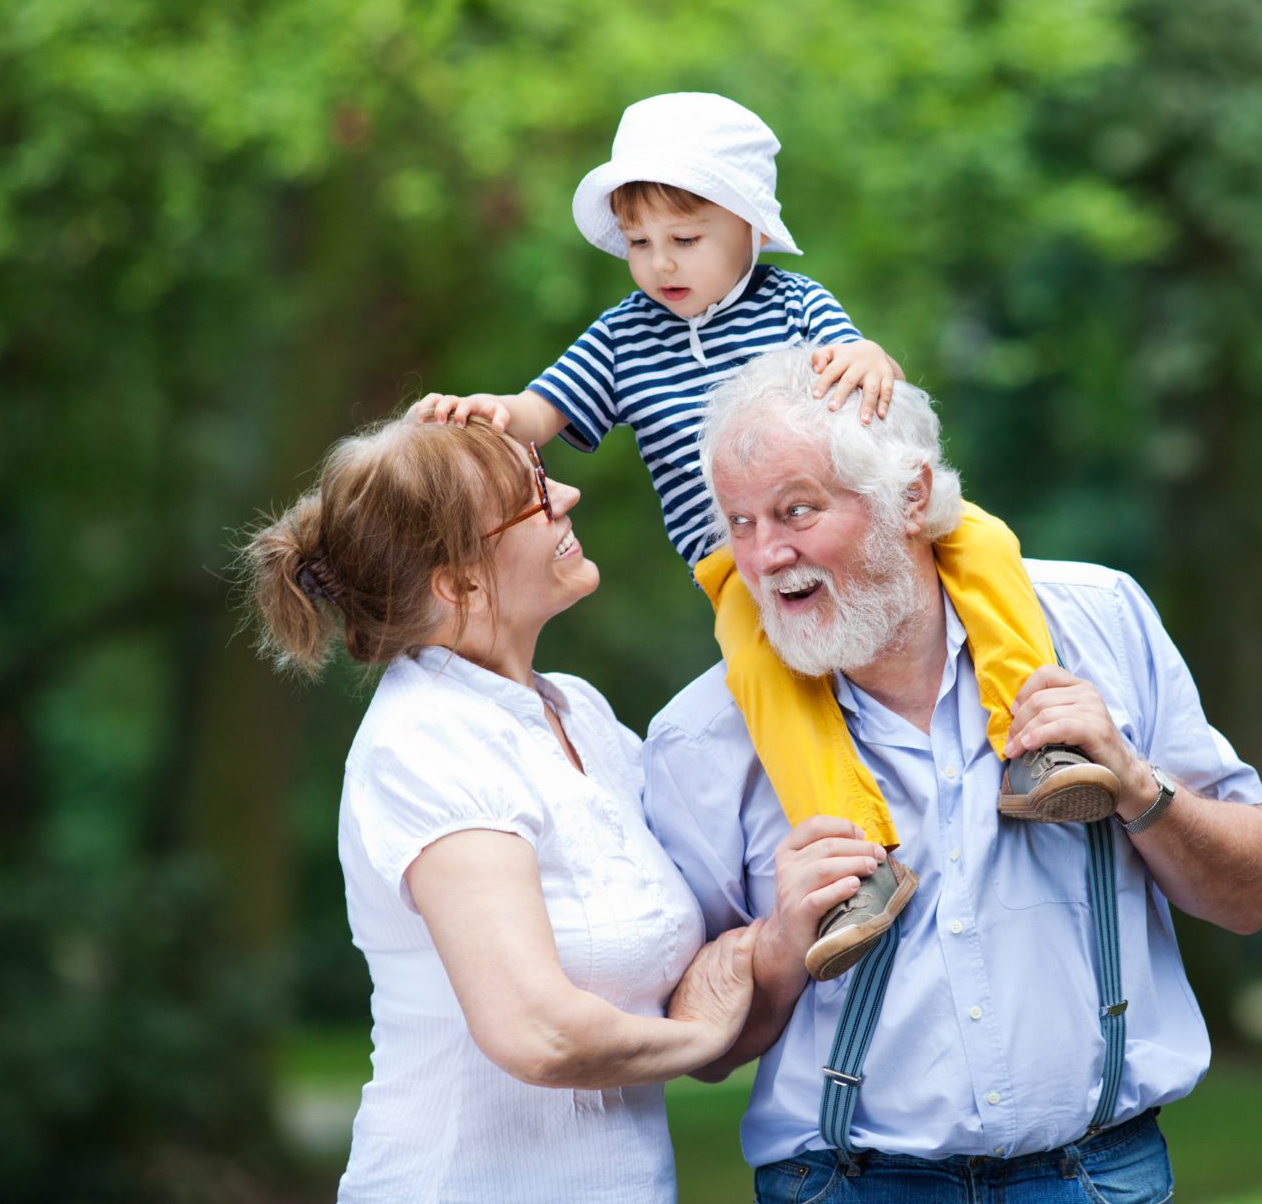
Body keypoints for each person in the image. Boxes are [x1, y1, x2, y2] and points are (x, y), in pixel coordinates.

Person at [414, 91, 1117, 981]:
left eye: (685, 237)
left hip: (850, 518)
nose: (660, 263)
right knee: (764, 672)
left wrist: (870, 359)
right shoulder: (623, 337)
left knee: (986, 546)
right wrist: (491, 412)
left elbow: (860, 364)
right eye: (639, 243)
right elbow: (538, 411)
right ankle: (856, 853)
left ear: (748, 227)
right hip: (734, 562)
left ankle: (1034, 741)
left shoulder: (795, 304)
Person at [640, 351, 1262, 1204]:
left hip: (1097, 1201)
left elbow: (1253, 895)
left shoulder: (1101, 619)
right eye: (740, 522)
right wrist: (780, 945)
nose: (763, 555)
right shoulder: (697, 739)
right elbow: (702, 1048)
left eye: (796, 510)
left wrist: (1139, 788)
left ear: (912, 498)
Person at [241, 412, 757, 1204]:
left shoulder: (577, 713)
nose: (569, 495)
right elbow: (537, 1029)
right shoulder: (425, 739)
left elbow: (686, 948)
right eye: (534, 498)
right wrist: (702, 1035)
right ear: (457, 583)